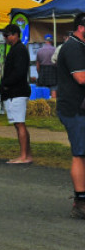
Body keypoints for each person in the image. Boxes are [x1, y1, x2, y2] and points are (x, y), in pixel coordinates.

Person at [54, 13, 85, 219]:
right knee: (80, 153)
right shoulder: (73, 47)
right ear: (82, 28)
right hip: (75, 109)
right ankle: (80, 201)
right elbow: (81, 78)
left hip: (80, 108)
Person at [0, 24, 33, 165]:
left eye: (7, 35)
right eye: (4, 35)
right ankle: (27, 154)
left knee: (19, 124)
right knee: (19, 124)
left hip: (16, 92)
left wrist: (6, 84)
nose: (5, 38)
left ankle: (24, 156)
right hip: (14, 92)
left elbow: (19, 72)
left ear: (16, 34)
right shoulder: (15, 49)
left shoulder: (19, 50)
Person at [36, 34, 58, 99]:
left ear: (45, 40)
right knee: (53, 89)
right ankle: (53, 106)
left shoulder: (40, 50)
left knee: (43, 91)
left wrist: (40, 74)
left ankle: (45, 107)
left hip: (43, 71)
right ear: (51, 41)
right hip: (53, 71)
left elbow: (37, 66)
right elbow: (57, 63)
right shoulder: (55, 50)